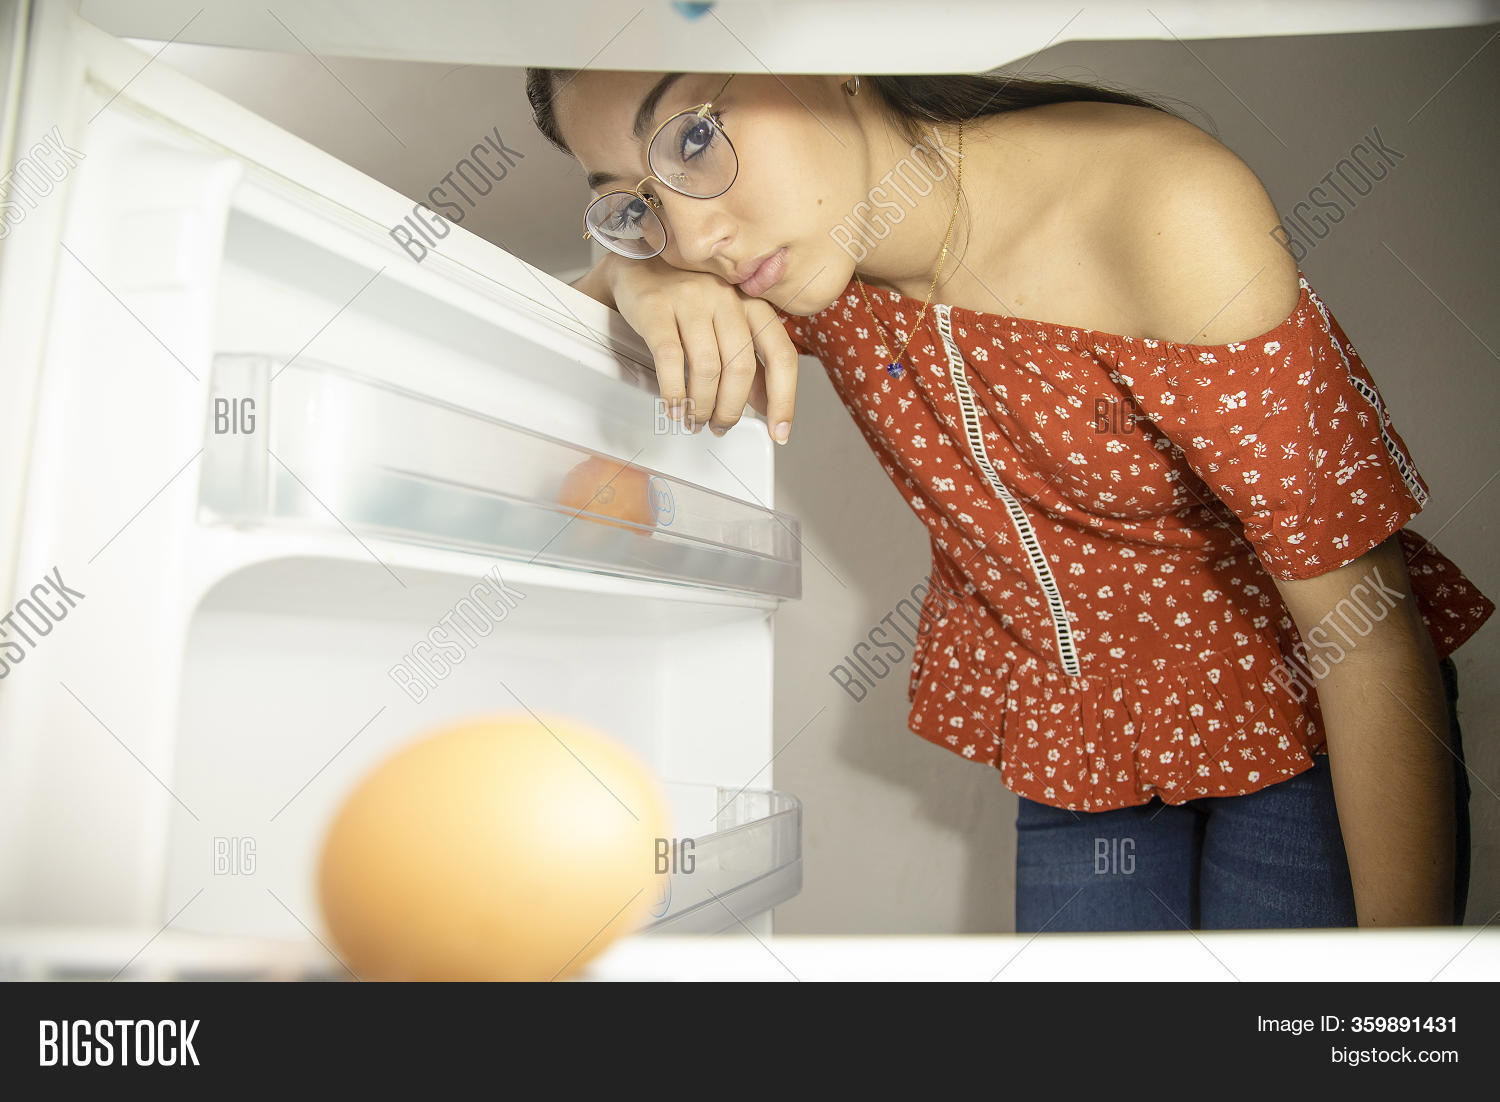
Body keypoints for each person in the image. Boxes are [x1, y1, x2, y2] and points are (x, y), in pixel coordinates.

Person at [525, 67, 1494, 930]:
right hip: (1078, 740)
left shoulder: (1162, 202)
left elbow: (1364, 629)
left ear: (834, 54)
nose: (695, 236)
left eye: (695, 136)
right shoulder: (783, 244)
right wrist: (641, 278)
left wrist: (1402, 998)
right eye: (632, 199)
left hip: (1309, 726)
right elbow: (557, 298)